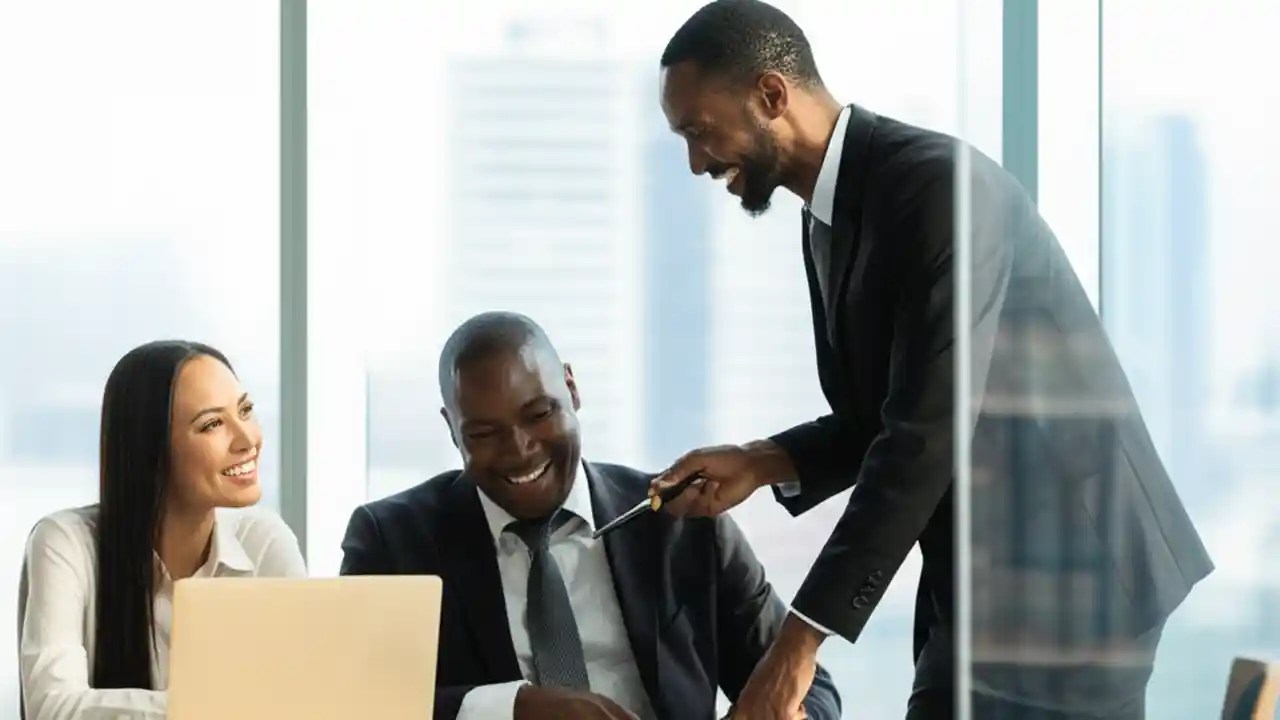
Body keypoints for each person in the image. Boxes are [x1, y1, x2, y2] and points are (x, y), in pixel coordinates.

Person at [651, 1, 1213, 718]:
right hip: (987, 578)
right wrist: (760, 461)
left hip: (1076, 581)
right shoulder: (830, 215)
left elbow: (923, 434)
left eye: (699, 131)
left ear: (770, 95)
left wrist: (795, 648)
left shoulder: (936, 189)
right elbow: (880, 417)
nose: (696, 162)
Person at [340, 311, 841, 720]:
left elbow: (809, 684)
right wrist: (512, 709)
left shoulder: (681, 517)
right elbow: (354, 702)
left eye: (539, 414)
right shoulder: (391, 539)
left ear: (572, 389)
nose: (520, 450)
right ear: (452, 429)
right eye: (484, 434)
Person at [19, 340, 307, 719]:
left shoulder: (265, 541)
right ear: (150, 448)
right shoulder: (66, 543)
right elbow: (52, 706)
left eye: (245, 411)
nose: (248, 439)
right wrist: (219, 709)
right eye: (212, 424)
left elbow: (304, 695)